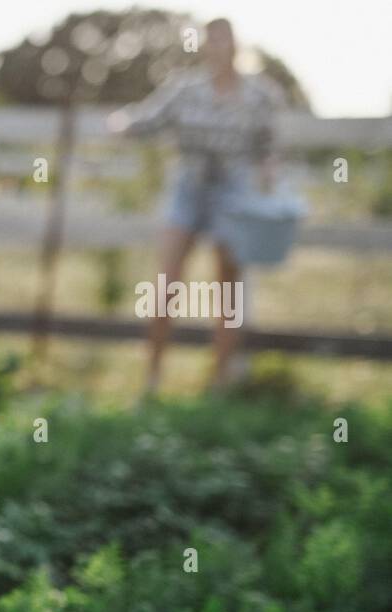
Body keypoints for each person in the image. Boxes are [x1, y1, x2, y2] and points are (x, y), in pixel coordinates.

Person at [109, 18, 282, 392]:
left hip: (234, 194)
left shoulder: (259, 94)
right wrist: (121, 123)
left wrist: (268, 171)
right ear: (205, 46)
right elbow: (146, 121)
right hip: (188, 188)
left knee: (228, 288)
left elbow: (267, 146)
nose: (220, 47)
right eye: (213, 40)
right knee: (166, 283)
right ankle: (152, 378)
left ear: (236, 45)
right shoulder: (185, 90)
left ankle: (220, 380)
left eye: (227, 40)